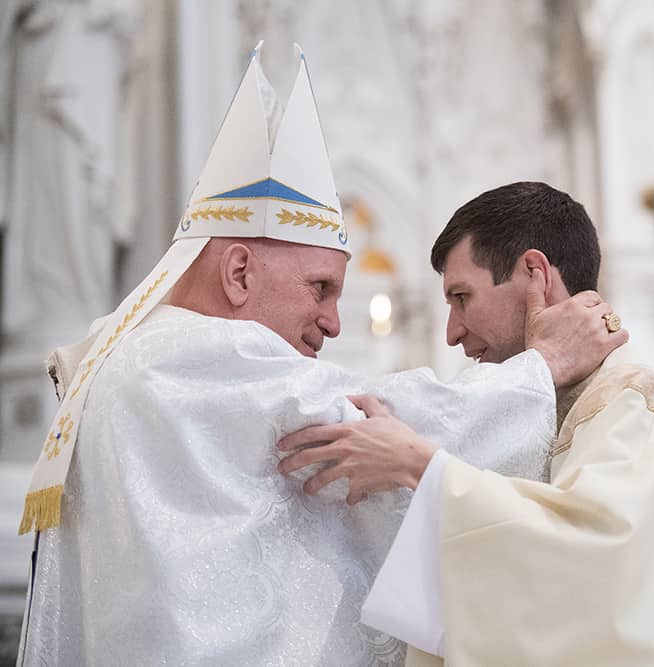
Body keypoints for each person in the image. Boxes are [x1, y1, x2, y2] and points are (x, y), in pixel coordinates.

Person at [16, 47, 621, 666]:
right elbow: (375, 427)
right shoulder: (189, 356)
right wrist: (540, 368)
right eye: (321, 288)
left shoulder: (146, 354)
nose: (333, 322)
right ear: (240, 271)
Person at [280, 182, 654, 666]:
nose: (453, 333)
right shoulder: (530, 413)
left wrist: (420, 468)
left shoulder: (637, 401)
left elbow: (598, 570)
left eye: (462, 297)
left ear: (535, 274)